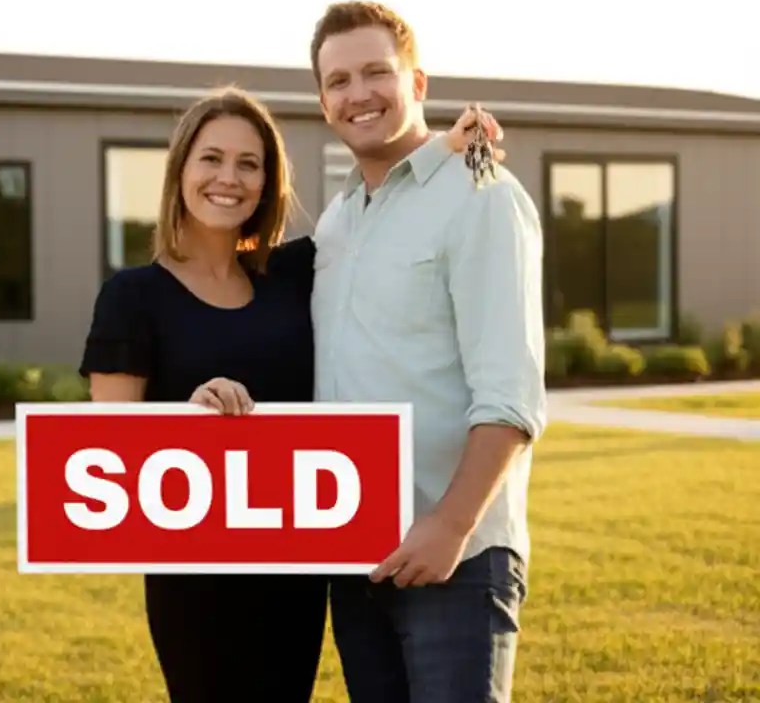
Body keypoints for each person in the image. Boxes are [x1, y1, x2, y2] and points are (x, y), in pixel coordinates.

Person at [77, 84, 507, 701]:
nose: (229, 178)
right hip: (198, 583)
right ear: (180, 170)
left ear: (267, 182)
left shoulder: (289, 274)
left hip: (295, 576)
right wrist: (187, 417)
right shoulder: (132, 297)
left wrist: (442, 148)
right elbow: (109, 453)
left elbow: (380, 219)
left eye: (248, 164)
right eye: (211, 158)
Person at [308, 0, 547, 703]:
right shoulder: (337, 221)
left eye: (377, 72)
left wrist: (450, 525)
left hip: (457, 561)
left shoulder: (481, 194)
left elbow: (510, 395)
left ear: (417, 83)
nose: (358, 94)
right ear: (322, 102)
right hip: (357, 558)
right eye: (338, 80)